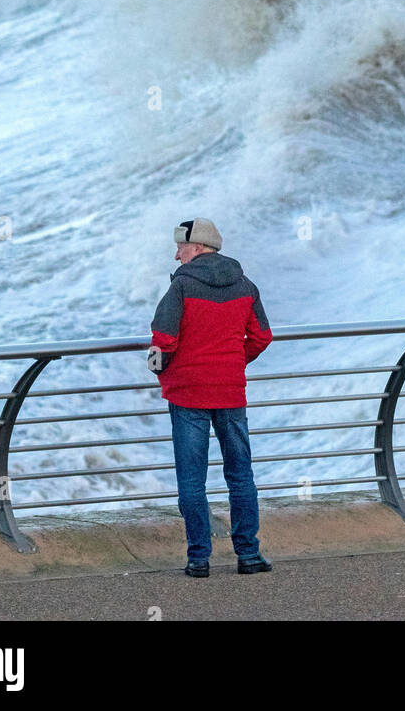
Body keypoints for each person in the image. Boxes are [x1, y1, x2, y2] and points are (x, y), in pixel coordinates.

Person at [148, 217, 274, 577]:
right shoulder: (246, 286)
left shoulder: (181, 288)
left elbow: (163, 340)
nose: (176, 255)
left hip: (188, 394)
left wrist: (158, 368)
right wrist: (232, 362)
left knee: (192, 480)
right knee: (240, 475)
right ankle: (248, 555)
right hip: (230, 391)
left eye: (181, 248)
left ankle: (199, 559)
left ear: (199, 248)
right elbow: (262, 337)